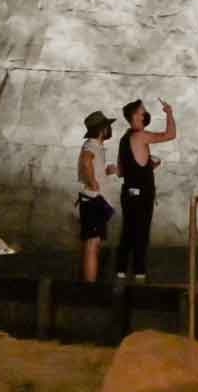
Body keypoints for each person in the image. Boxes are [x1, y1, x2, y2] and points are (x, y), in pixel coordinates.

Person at [116, 97, 178, 281]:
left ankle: (120, 270)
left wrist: (148, 166)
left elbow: (121, 171)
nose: (145, 114)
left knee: (127, 230)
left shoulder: (124, 139)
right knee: (141, 231)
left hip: (128, 192)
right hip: (142, 194)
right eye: (143, 111)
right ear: (136, 115)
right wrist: (169, 113)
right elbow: (170, 135)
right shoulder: (141, 136)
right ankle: (139, 271)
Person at [76, 110, 117, 282]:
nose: (110, 129)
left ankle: (90, 282)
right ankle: (89, 287)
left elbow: (91, 164)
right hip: (93, 200)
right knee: (92, 245)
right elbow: (86, 161)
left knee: (94, 243)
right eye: (108, 126)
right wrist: (92, 181)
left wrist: (105, 172)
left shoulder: (96, 146)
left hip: (95, 201)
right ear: (102, 129)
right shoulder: (91, 145)